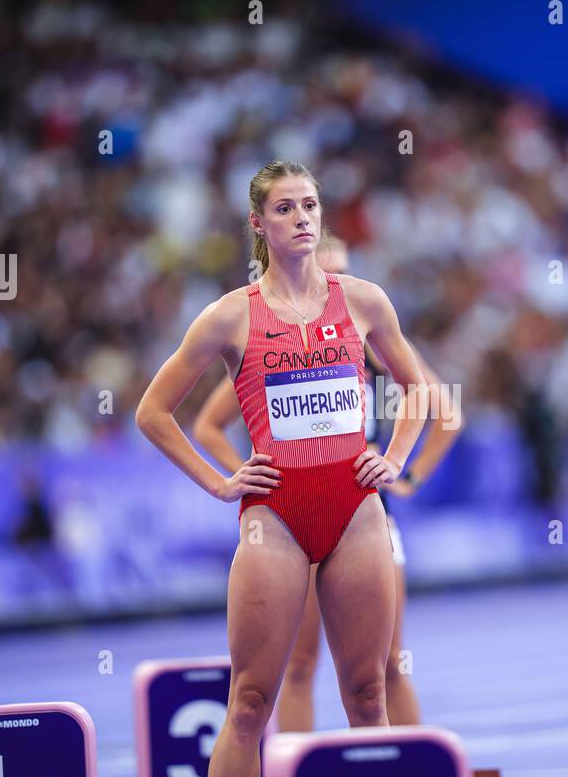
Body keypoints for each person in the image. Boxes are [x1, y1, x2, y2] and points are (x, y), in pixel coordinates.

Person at [136, 160, 427, 777]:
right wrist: (218, 480)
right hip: (275, 521)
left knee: (367, 693)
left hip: (356, 513)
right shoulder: (229, 317)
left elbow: (419, 391)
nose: (302, 218)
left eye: (311, 206)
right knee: (248, 703)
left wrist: (395, 459)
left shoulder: (363, 300)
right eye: (287, 208)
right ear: (258, 224)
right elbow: (154, 412)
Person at [190, 236, 465, 731]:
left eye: (342, 270)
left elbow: (446, 413)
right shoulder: (276, 342)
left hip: (364, 513)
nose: (332, 281)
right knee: (298, 664)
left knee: (386, 668)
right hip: (292, 513)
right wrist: (242, 473)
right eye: (326, 268)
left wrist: (406, 470)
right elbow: (207, 422)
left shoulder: (369, 329)